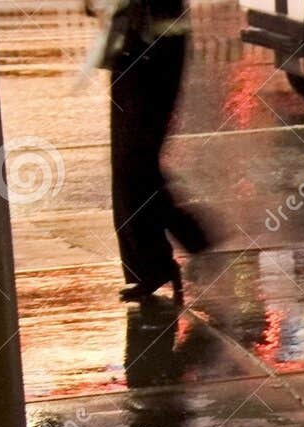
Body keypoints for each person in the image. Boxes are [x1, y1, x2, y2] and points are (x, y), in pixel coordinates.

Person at [91, 0, 211, 303]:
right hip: (128, 41)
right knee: (128, 161)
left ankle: (185, 240)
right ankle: (156, 261)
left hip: (160, 43)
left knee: (135, 159)